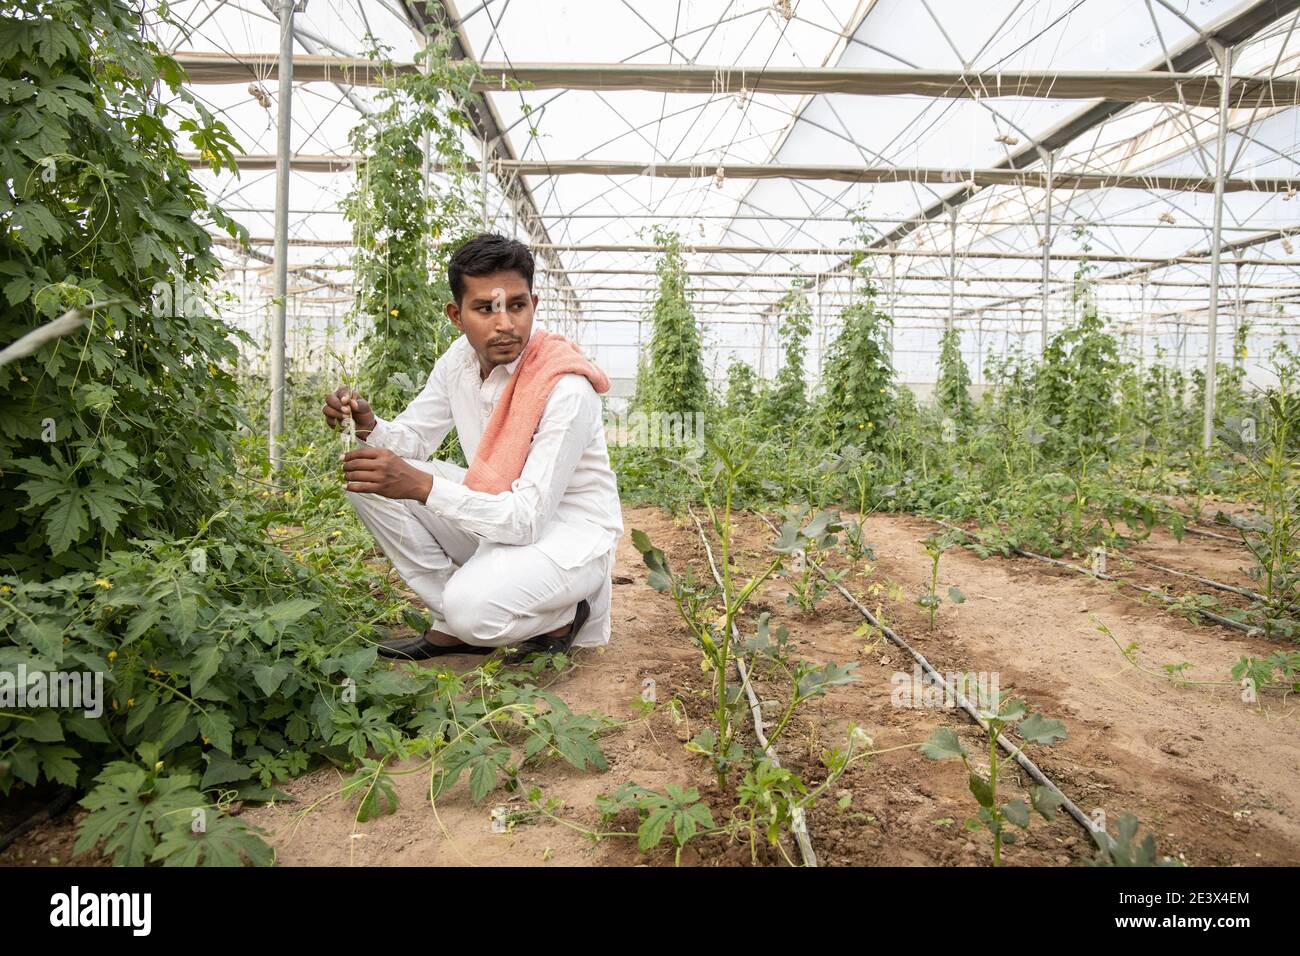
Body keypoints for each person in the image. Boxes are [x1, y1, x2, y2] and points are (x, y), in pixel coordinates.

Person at [322, 233, 623, 660]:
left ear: (533, 304)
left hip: (567, 539)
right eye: (485, 309)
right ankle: (454, 624)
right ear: (456, 316)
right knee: (366, 473)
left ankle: (559, 614)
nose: (505, 324)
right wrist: (368, 426)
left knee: (473, 608)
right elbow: (414, 439)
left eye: (517, 306)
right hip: (499, 511)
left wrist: (423, 486)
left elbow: (527, 521)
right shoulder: (459, 361)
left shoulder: (565, 388)